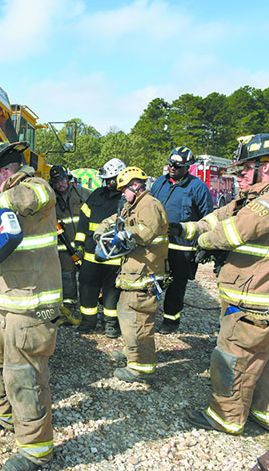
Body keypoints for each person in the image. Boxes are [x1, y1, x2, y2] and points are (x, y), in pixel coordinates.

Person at [179, 133, 269, 435]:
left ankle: (225, 417)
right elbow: (216, 217)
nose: (240, 175)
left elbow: (232, 232)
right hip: (267, 303)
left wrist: (206, 242)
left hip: (252, 302)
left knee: (234, 359)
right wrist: (183, 229)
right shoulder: (254, 199)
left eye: (247, 168)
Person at [0, 141, 61, 471]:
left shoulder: (34, 187)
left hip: (30, 305)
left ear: (3, 174)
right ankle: (6, 416)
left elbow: (37, 198)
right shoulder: (7, 204)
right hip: (2, 301)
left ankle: (36, 450)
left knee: (25, 376)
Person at [97, 166, 169, 382]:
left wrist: (125, 234)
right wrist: (102, 229)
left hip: (145, 276)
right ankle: (132, 355)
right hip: (133, 275)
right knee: (127, 318)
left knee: (139, 324)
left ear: (135, 186)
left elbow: (145, 232)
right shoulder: (133, 205)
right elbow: (116, 218)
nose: (122, 194)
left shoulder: (149, 205)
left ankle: (141, 369)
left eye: (124, 189)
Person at [150, 147, 214, 334]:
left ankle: (171, 321)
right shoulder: (159, 183)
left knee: (177, 286)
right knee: (153, 282)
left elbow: (207, 219)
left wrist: (206, 245)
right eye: (171, 164)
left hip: (182, 248)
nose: (172, 168)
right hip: (159, 245)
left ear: (188, 167)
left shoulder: (197, 187)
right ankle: (148, 317)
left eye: (177, 166)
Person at [75, 158, 127, 337]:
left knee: (112, 291)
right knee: (87, 287)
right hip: (91, 253)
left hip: (114, 254)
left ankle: (111, 325)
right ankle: (88, 322)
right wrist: (79, 242)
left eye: (110, 179)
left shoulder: (125, 199)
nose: (107, 183)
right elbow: (84, 219)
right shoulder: (96, 194)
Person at [49, 164, 91, 325]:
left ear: (68, 179)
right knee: (67, 276)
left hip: (84, 245)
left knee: (87, 277)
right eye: (57, 181)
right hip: (63, 248)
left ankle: (89, 307)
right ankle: (70, 307)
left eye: (62, 179)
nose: (61, 184)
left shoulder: (82, 194)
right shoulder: (51, 200)